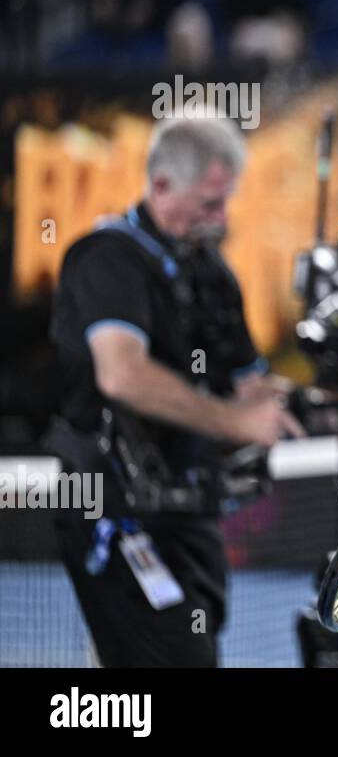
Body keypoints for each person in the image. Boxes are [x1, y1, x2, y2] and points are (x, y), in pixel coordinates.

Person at [44, 114, 304, 667]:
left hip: (192, 515)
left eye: (225, 202)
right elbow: (122, 374)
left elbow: (252, 387)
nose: (222, 218)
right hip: (114, 510)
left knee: (187, 655)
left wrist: (323, 405)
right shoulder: (105, 258)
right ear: (161, 185)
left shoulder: (213, 273)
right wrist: (237, 422)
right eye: (210, 203)